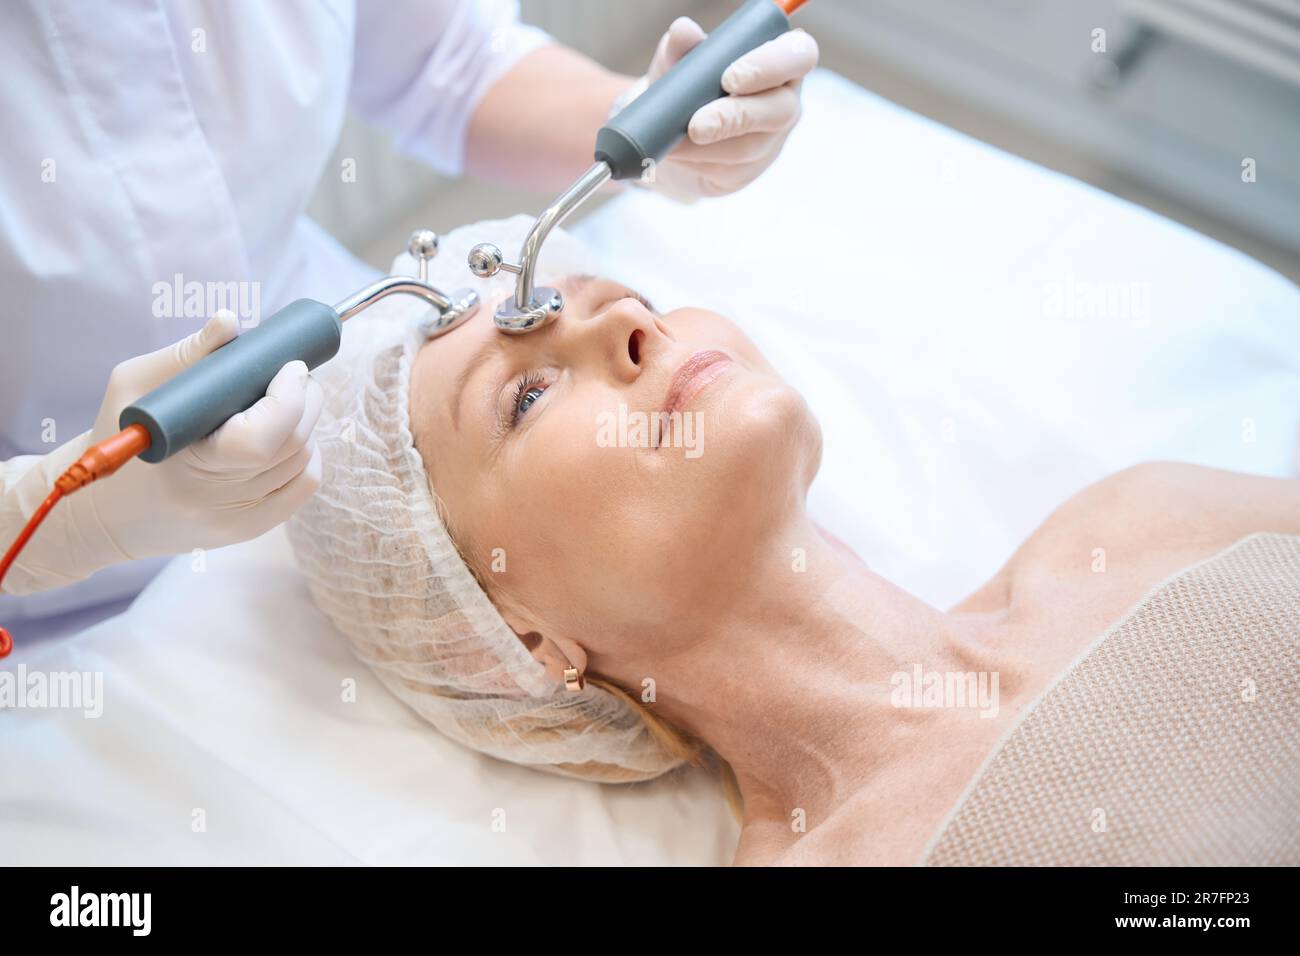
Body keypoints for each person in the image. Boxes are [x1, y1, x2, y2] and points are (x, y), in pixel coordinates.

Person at [286, 261, 1300, 867]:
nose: (628, 327)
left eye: (618, 296)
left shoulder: (1141, 524)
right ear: (511, 636)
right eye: (526, 397)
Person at [0, 0, 819, 628]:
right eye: (523, 398)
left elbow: (446, 63)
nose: (624, 326)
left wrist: (645, 114)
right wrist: (62, 520)